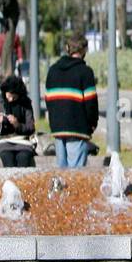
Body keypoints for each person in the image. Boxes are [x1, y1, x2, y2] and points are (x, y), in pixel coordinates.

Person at [45, 31, 99, 168]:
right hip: (78, 128)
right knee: (76, 175)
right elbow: (91, 103)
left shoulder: (53, 70)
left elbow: (48, 100)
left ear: (67, 49)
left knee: (62, 175)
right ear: (84, 50)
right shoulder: (85, 72)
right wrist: (91, 124)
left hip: (57, 127)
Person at [0, 75, 37, 168]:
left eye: (14, 98)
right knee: (7, 158)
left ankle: (21, 182)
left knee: (24, 158)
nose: (10, 99)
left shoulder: (25, 103)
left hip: (22, 142)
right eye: (9, 96)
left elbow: (31, 128)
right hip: (2, 141)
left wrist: (17, 124)